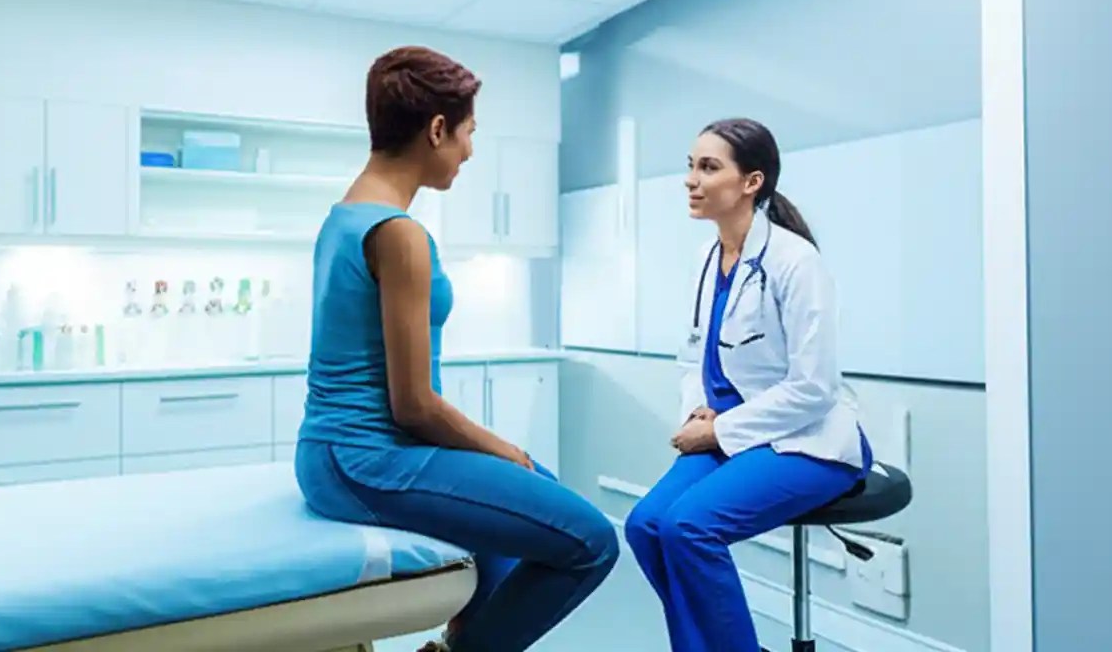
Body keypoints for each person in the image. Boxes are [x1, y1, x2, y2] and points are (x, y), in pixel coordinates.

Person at [294, 45, 618, 652]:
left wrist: (508, 460)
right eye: (468, 132)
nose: (470, 150)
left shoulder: (345, 216)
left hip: (334, 455)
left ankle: (466, 630)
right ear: (437, 129)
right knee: (594, 542)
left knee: (532, 489)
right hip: (366, 460)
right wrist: (504, 448)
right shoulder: (399, 235)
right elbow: (413, 405)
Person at [624, 118, 874, 652]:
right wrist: (698, 414)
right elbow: (693, 355)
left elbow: (815, 388)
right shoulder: (707, 258)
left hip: (805, 437)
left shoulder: (796, 262)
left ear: (751, 182)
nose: (691, 179)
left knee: (689, 527)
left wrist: (722, 430)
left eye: (708, 167)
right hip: (728, 430)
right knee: (646, 526)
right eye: (690, 166)